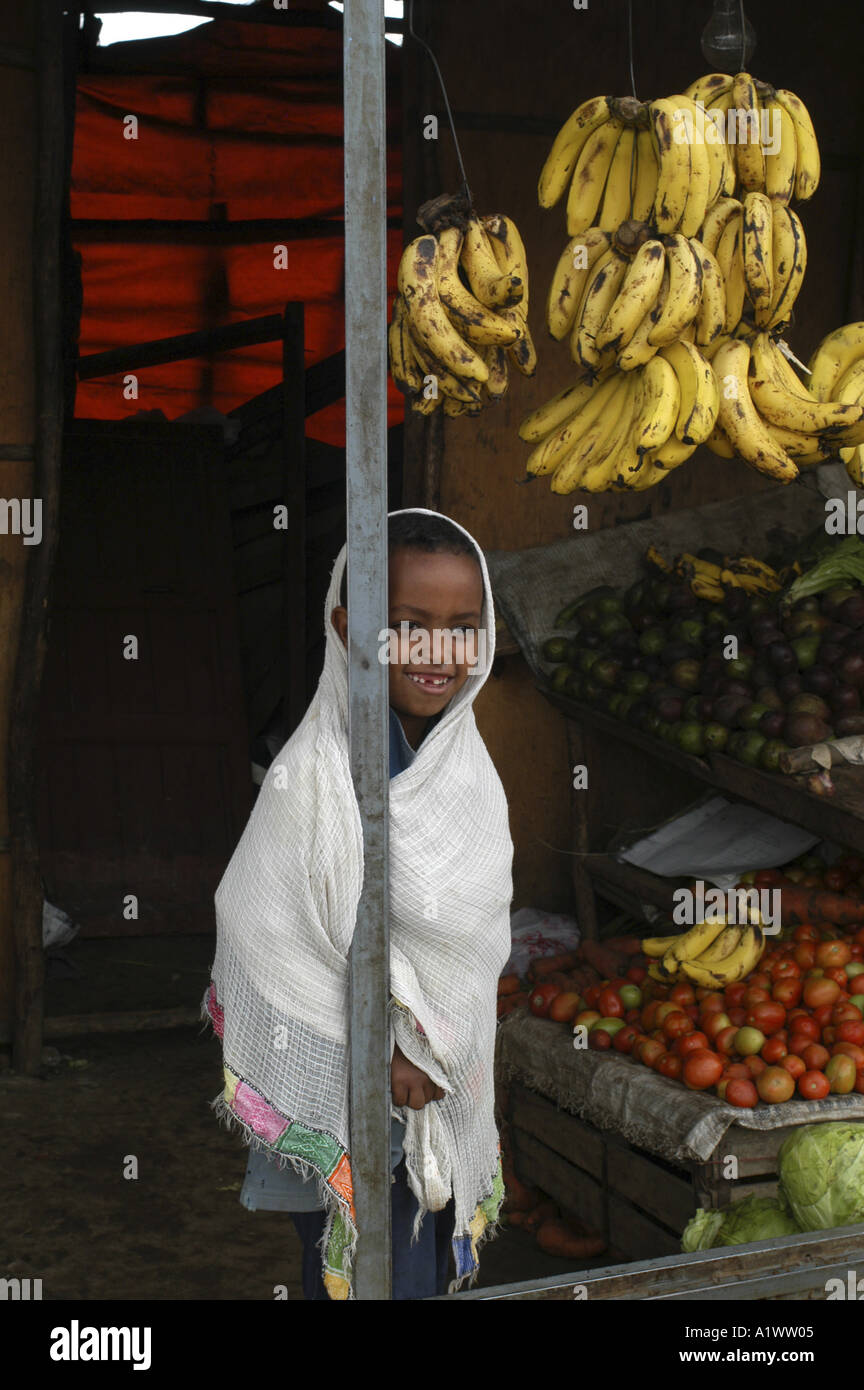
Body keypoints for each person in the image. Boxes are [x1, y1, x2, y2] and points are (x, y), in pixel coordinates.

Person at [202, 509, 513, 1299]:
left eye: (462, 627)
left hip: (437, 1100)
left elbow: (471, 944)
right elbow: (261, 928)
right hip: (352, 1096)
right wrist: (384, 1043)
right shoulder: (313, 775)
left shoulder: (469, 772)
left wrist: (433, 1040)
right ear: (348, 627)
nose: (438, 651)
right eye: (408, 625)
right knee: (365, 1277)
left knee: (418, 1270)